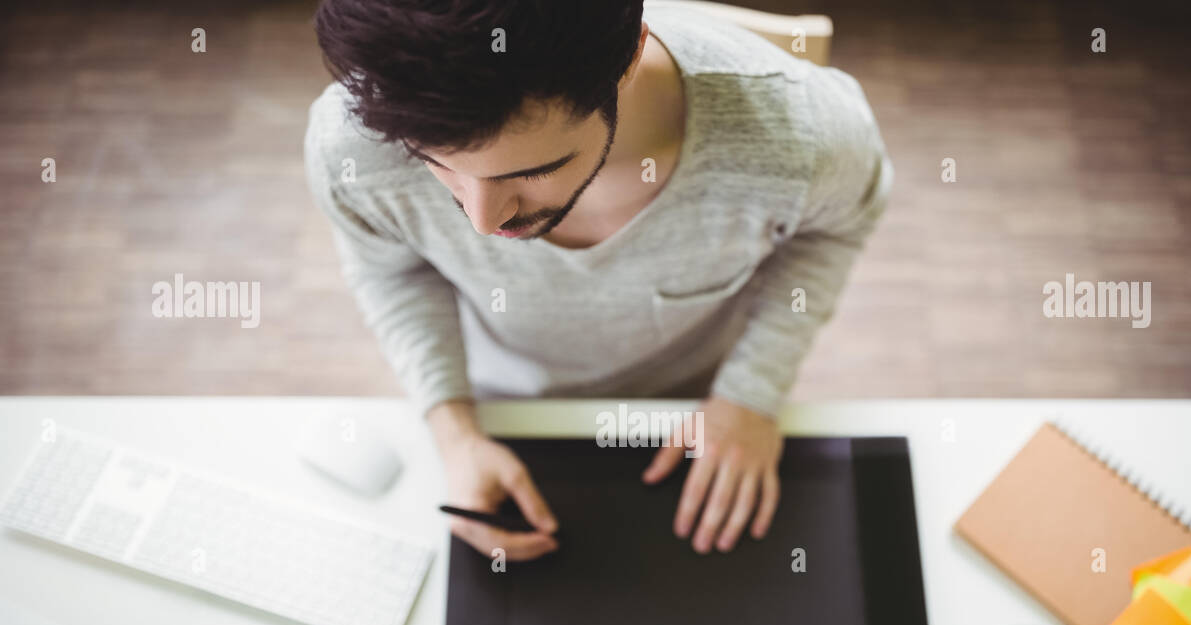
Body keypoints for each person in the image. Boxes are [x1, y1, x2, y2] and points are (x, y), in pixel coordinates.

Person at [305, 0, 891, 559]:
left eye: (534, 170)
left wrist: (750, 394)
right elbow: (394, 273)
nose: (484, 222)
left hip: (691, 405)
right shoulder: (353, 143)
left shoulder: (804, 139)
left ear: (628, 57)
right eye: (435, 162)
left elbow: (839, 226)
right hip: (498, 407)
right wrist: (455, 433)